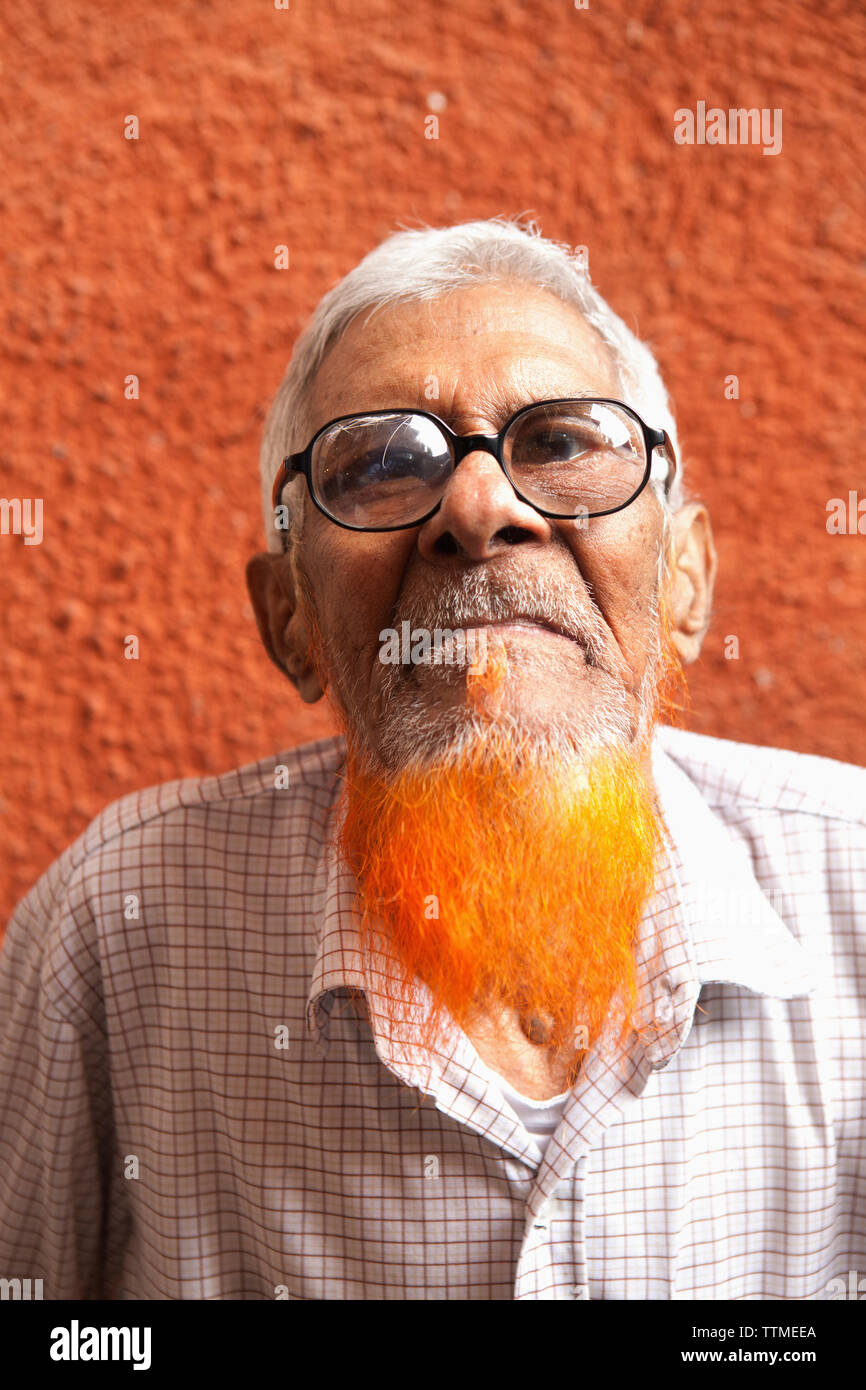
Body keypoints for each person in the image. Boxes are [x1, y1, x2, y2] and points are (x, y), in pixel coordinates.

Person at [1, 218, 864, 1300]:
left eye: (556, 442)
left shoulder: (853, 895)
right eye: (379, 463)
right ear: (291, 621)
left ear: (682, 584)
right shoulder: (121, 926)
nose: (476, 505)